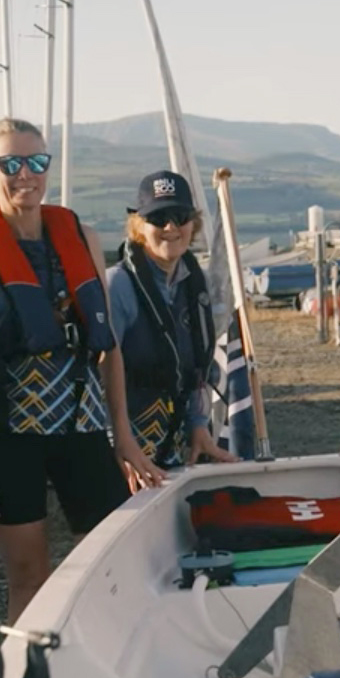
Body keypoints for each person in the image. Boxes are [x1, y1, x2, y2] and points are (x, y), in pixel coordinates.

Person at [0, 118, 163, 623]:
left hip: (82, 427)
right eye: (11, 163)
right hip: (7, 435)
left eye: (37, 162)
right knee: (29, 578)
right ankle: (25, 672)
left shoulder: (82, 238)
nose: (26, 174)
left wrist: (124, 438)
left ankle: (98, 659)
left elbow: (108, 345)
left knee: (109, 567)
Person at [107, 170, 236, 475]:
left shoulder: (196, 285)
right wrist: (118, 444)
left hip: (175, 449)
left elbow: (197, 369)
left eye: (180, 216)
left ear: (194, 223)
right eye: (158, 218)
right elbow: (98, 375)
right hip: (122, 454)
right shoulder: (118, 287)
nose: (171, 227)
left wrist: (198, 426)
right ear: (138, 225)